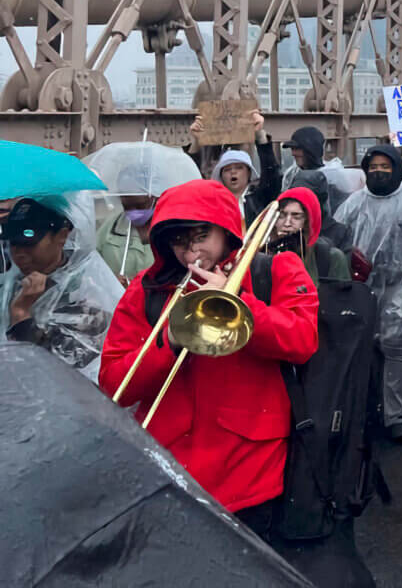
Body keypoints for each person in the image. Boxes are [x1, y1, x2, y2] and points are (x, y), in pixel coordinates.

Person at [97, 180, 319, 529]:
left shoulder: (275, 269)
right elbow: (115, 385)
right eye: (178, 241)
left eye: (201, 236)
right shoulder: (146, 289)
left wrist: (240, 302)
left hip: (252, 472)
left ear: (226, 231)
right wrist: (169, 339)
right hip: (169, 472)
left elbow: (302, 341)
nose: (190, 252)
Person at [335, 144, 402, 440]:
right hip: (360, 286)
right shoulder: (353, 204)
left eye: (385, 166)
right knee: (360, 348)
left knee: (397, 349)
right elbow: (336, 238)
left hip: (401, 285)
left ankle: (395, 416)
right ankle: (363, 411)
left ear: (396, 168)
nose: (379, 172)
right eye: (373, 167)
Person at [2, 194, 123, 380]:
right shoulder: (10, 286)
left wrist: (21, 314)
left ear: (62, 236)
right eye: (13, 243)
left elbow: (57, 372)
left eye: (29, 242)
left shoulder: (86, 291)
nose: (19, 253)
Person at [90, 141, 201, 287]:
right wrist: (108, 282)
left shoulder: (172, 229)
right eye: (127, 206)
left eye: (140, 205)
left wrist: (136, 286)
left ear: (155, 196)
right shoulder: (111, 227)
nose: (133, 212)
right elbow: (93, 264)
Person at [269, 186, 351, 283]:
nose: (287, 223)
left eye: (296, 217)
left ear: (309, 222)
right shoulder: (261, 256)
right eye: (281, 216)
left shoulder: (331, 259)